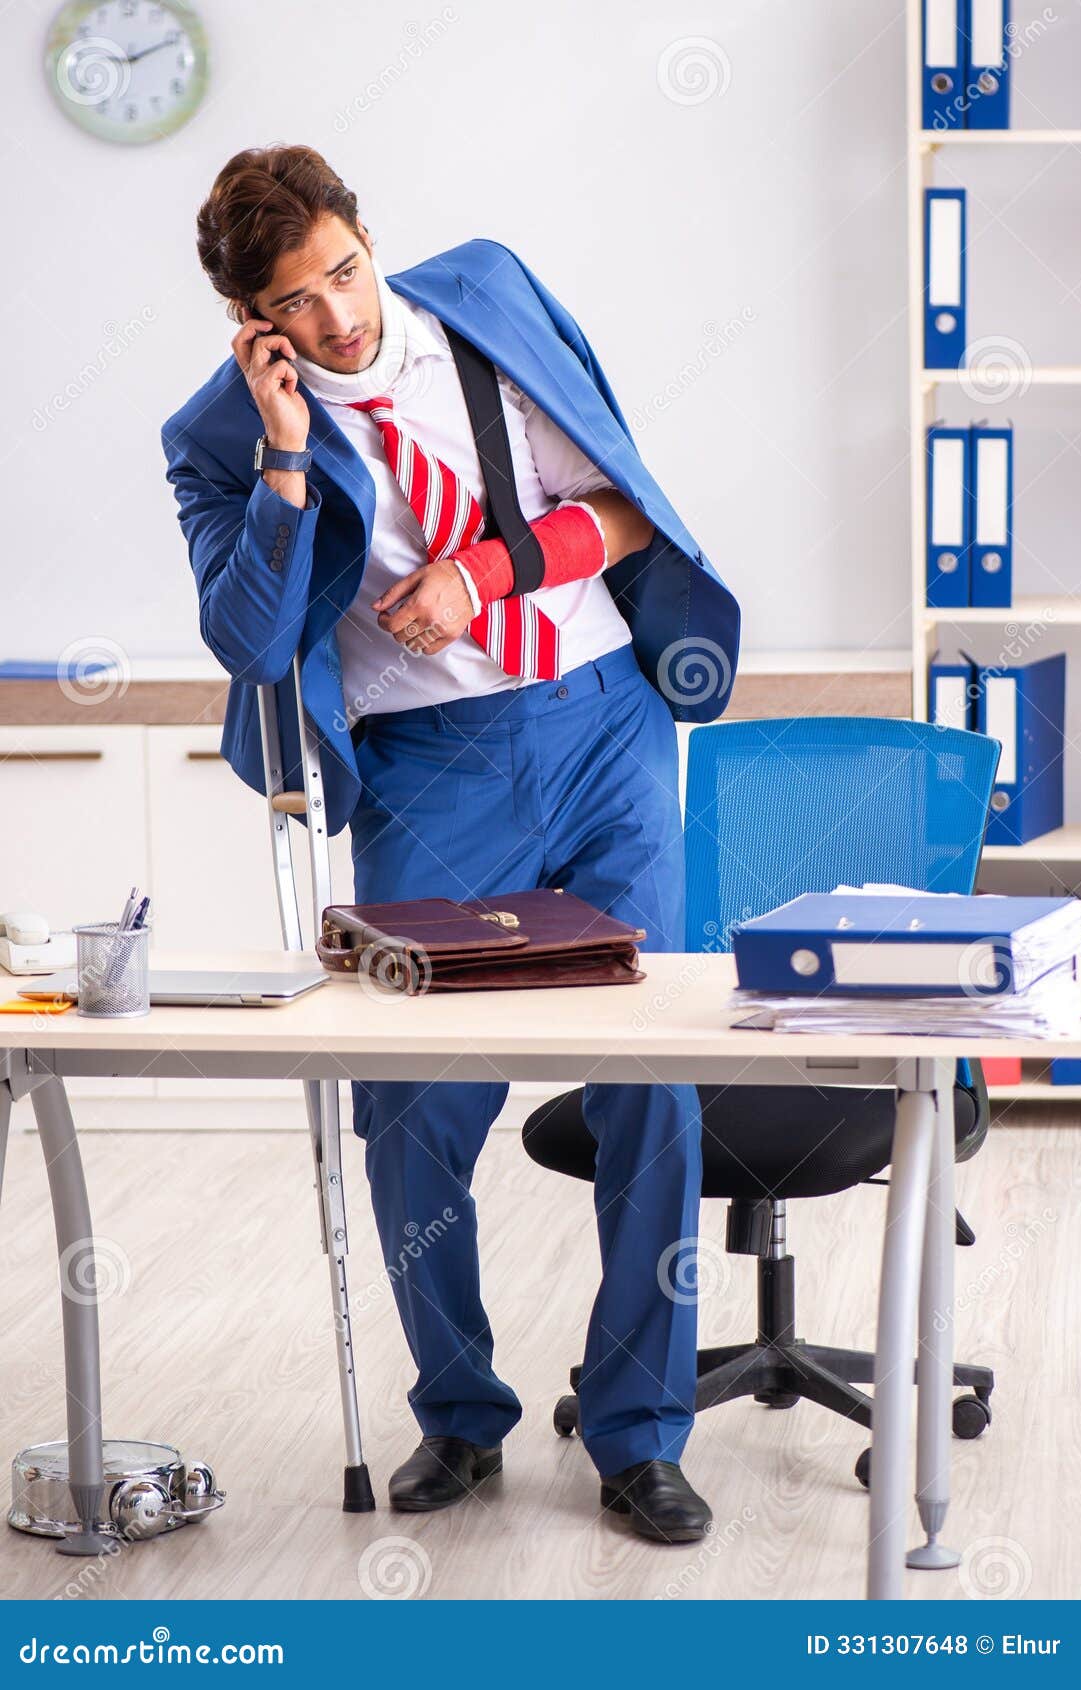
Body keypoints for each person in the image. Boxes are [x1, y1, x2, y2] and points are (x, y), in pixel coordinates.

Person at [162, 145, 740, 1544]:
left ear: (372, 237)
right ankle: (459, 1413)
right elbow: (245, 642)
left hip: (600, 723)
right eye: (297, 305)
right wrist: (288, 458)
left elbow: (621, 511)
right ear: (251, 320)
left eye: (346, 274)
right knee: (414, 1100)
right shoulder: (219, 433)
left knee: (649, 1074)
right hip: (429, 768)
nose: (341, 321)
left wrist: (484, 567)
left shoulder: (483, 303)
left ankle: (638, 1427)